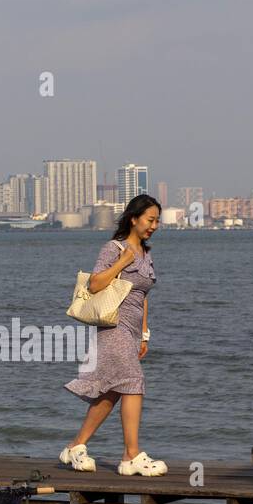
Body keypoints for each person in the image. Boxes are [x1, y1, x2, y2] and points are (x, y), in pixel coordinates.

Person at [59, 194, 167, 477]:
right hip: (113, 326)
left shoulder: (147, 254)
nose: (154, 225)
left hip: (132, 330)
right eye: (150, 219)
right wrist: (121, 263)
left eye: (157, 221)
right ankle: (131, 456)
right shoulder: (113, 247)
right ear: (134, 219)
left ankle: (75, 446)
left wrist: (144, 335)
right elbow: (95, 284)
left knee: (110, 392)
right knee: (133, 381)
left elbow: (142, 295)